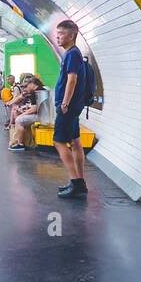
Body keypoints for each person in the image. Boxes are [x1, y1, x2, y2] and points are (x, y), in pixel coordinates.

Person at [52, 19, 90, 198]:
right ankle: (79, 182)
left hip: (68, 107)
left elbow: (72, 79)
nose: (57, 37)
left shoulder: (72, 54)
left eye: (61, 34)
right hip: (73, 106)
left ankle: (76, 182)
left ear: (72, 35)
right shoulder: (72, 53)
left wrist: (65, 103)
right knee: (74, 141)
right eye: (57, 33)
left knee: (59, 141)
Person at [6, 80, 40, 150]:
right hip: (41, 114)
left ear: (32, 84)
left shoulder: (34, 93)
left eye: (26, 86)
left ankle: (20, 143)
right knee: (16, 112)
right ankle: (23, 140)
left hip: (40, 115)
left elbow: (34, 109)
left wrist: (22, 114)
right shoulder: (38, 90)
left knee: (19, 119)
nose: (24, 89)